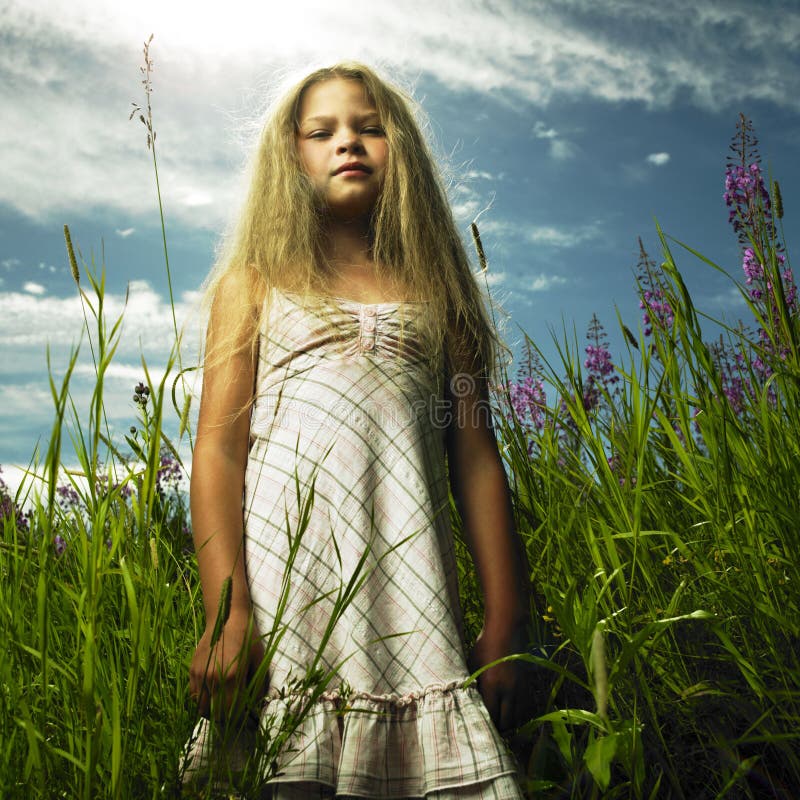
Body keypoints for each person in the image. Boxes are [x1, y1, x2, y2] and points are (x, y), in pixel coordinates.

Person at [184, 62, 534, 799]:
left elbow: (474, 454)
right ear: (292, 155)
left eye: (370, 127)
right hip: (290, 606)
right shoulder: (253, 284)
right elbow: (217, 451)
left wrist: (505, 620)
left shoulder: (440, 296)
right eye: (324, 131)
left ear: (399, 149)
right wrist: (229, 614)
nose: (350, 141)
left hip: (413, 614)